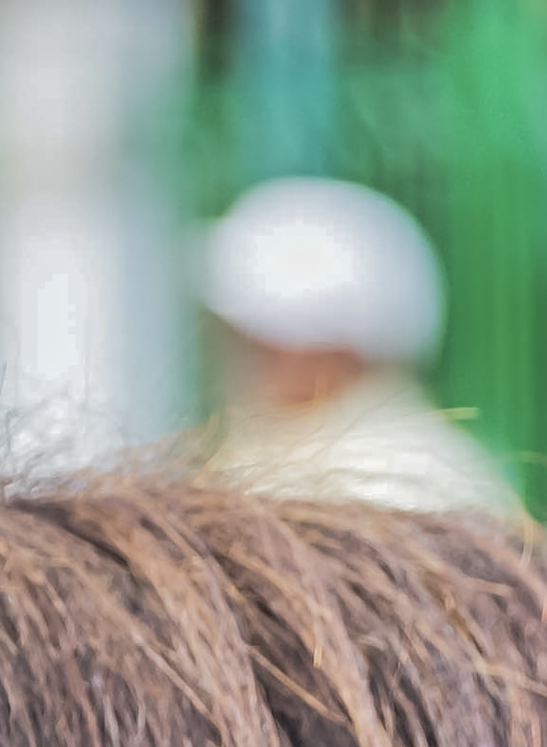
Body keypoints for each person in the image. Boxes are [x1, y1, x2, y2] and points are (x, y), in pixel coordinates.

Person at [197, 176, 520, 518]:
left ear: (340, 352)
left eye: (266, 342)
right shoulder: (287, 448)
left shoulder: (395, 476)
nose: (243, 358)